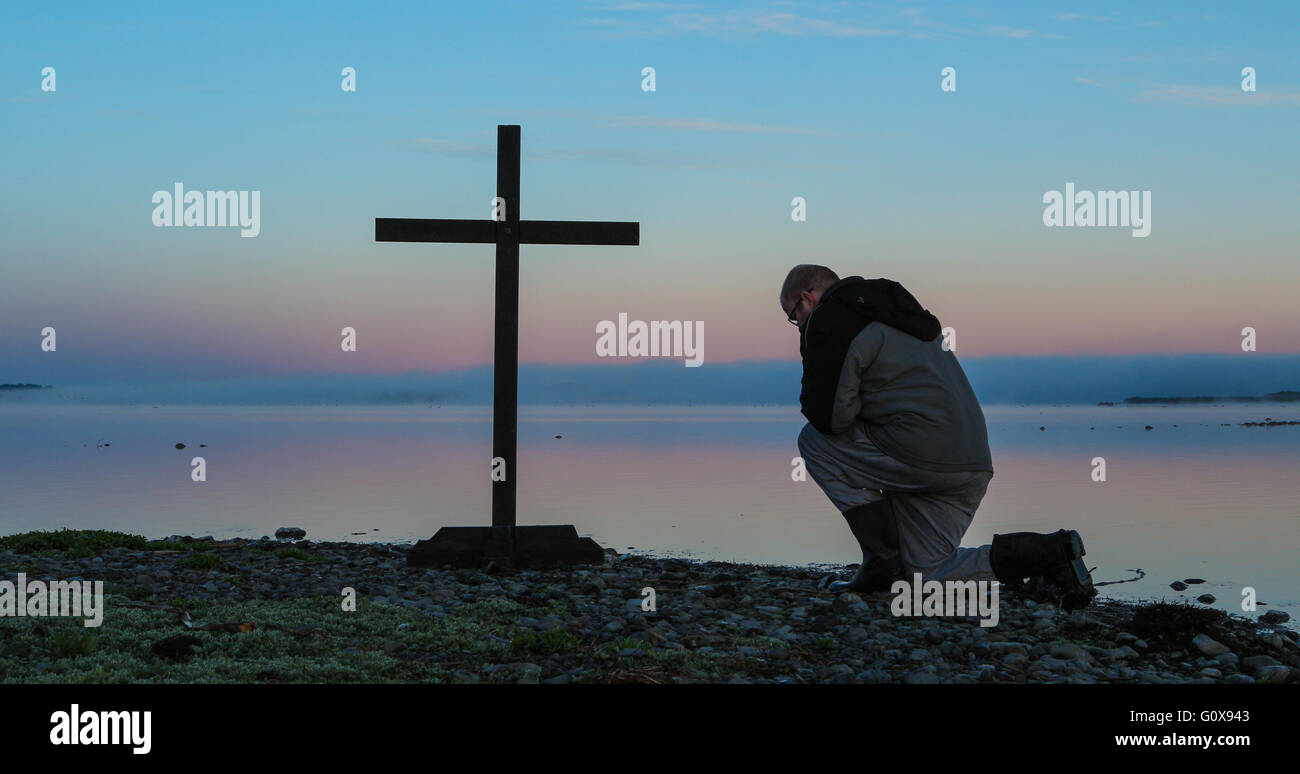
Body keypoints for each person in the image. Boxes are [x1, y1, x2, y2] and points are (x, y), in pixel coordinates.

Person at [781, 264, 1096, 610]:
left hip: (921, 453)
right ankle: (1051, 554)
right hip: (972, 461)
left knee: (813, 443)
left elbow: (831, 420)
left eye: (794, 317)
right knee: (924, 576)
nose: (798, 325)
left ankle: (880, 561)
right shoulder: (896, 310)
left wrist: (812, 345)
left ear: (807, 297)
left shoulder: (831, 318)